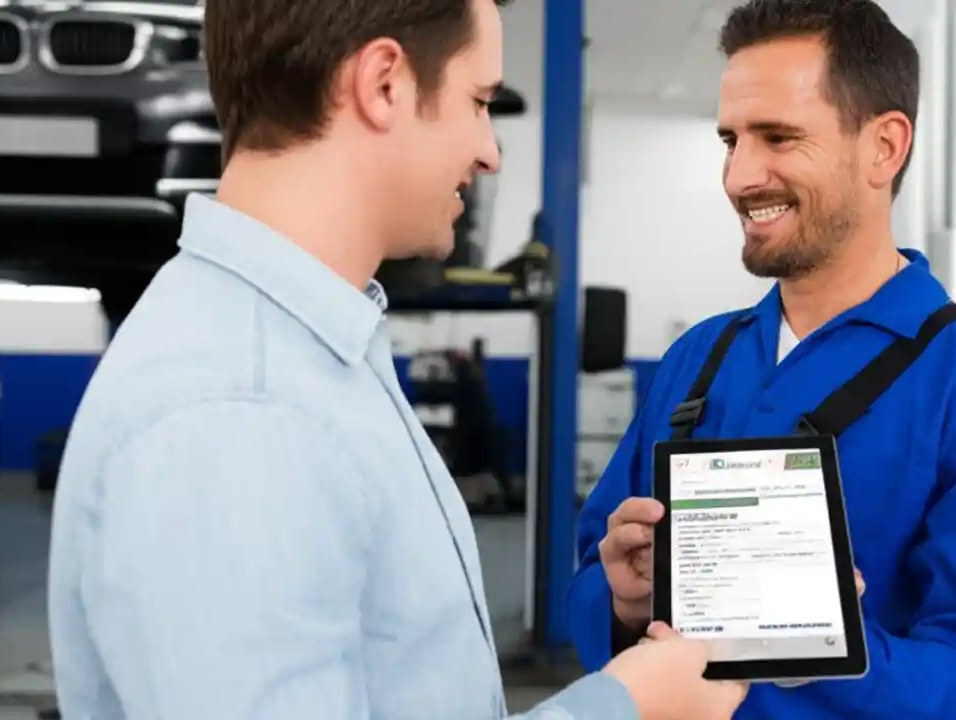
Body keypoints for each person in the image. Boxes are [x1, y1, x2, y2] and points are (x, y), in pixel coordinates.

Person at [45, 0, 747, 718]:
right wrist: (626, 709)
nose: (489, 151)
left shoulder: (310, 354)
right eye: (477, 102)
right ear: (384, 84)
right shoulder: (239, 413)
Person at [566, 1, 956, 718]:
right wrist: (621, 603)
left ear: (884, 148)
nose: (740, 177)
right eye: (730, 140)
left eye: (778, 137)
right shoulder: (696, 362)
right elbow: (590, 574)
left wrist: (829, 652)